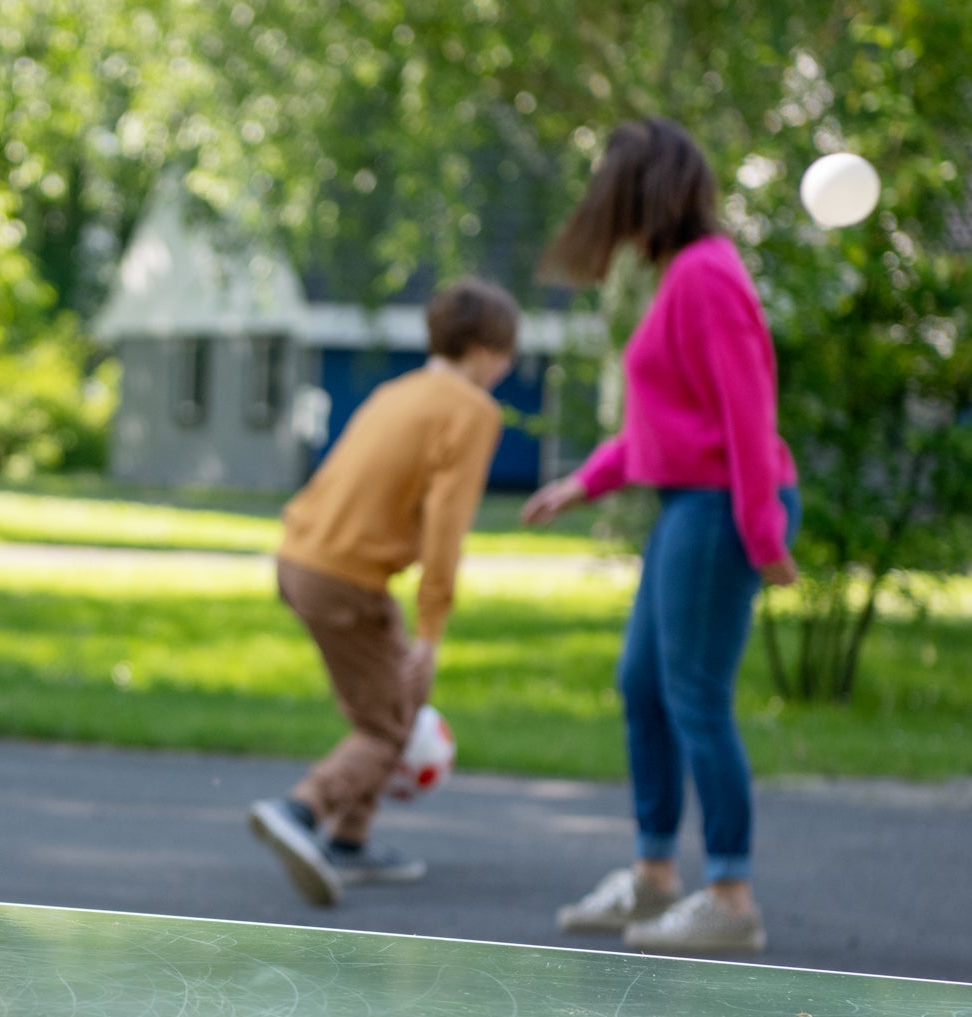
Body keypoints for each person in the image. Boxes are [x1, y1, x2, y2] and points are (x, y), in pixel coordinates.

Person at [519, 117, 800, 957]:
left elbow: (747, 416)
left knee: (694, 698)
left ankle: (732, 894)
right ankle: (653, 879)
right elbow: (667, 425)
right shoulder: (685, 275)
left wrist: (761, 531)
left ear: (645, 194)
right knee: (643, 684)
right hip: (692, 502)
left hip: (720, 510)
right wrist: (584, 481)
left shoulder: (707, 276)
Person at [250, 278, 518, 907]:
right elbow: (446, 526)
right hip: (345, 576)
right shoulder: (473, 410)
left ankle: (351, 838)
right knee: (389, 725)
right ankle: (303, 809)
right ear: (484, 351)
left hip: (300, 558)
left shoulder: (399, 391)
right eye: (507, 354)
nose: (507, 368)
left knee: (397, 695)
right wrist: (432, 628)